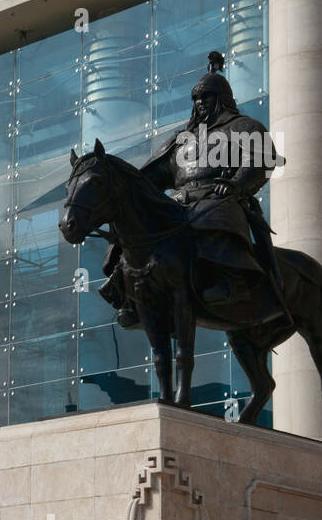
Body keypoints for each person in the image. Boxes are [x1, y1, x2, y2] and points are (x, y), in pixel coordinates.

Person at [101, 51, 285, 328]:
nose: (200, 103)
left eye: (206, 97)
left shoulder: (243, 126)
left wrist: (236, 185)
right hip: (179, 201)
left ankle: (231, 281)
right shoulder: (181, 138)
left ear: (221, 98)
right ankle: (127, 293)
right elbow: (152, 175)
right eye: (197, 99)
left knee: (212, 216)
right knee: (133, 229)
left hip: (219, 196)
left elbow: (261, 158)